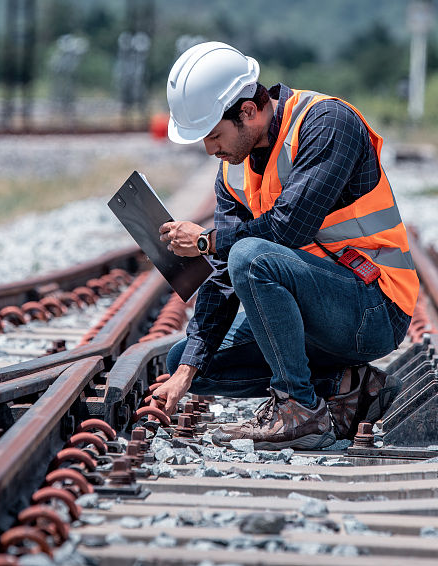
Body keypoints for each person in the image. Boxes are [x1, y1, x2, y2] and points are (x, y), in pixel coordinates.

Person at [153, 41, 418, 450]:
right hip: (316, 308)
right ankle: (349, 386)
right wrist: (187, 372)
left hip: (374, 307)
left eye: (214, 135)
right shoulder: (233, 173)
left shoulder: (327, 123)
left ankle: (299, 410)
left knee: (250, 256)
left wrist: (206, 240)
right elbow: (222, 278)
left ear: (248, 111)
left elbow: (288, 229)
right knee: (186, 359)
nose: (210, 149)